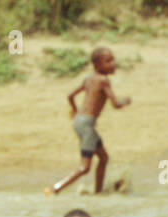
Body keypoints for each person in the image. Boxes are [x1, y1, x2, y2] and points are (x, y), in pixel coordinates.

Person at [46, 47, 131, 195]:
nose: (113, 64)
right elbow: (115, 104)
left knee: (103, 158)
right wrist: (124, 102)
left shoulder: (89, 78)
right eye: (108, 61)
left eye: (113, 60)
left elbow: (70, 95)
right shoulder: (104, 80)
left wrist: (75, 110)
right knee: (85, 167)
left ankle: (97, 193)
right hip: (86, 126)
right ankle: (55, 189)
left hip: (81, 121)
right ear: (97, 65)